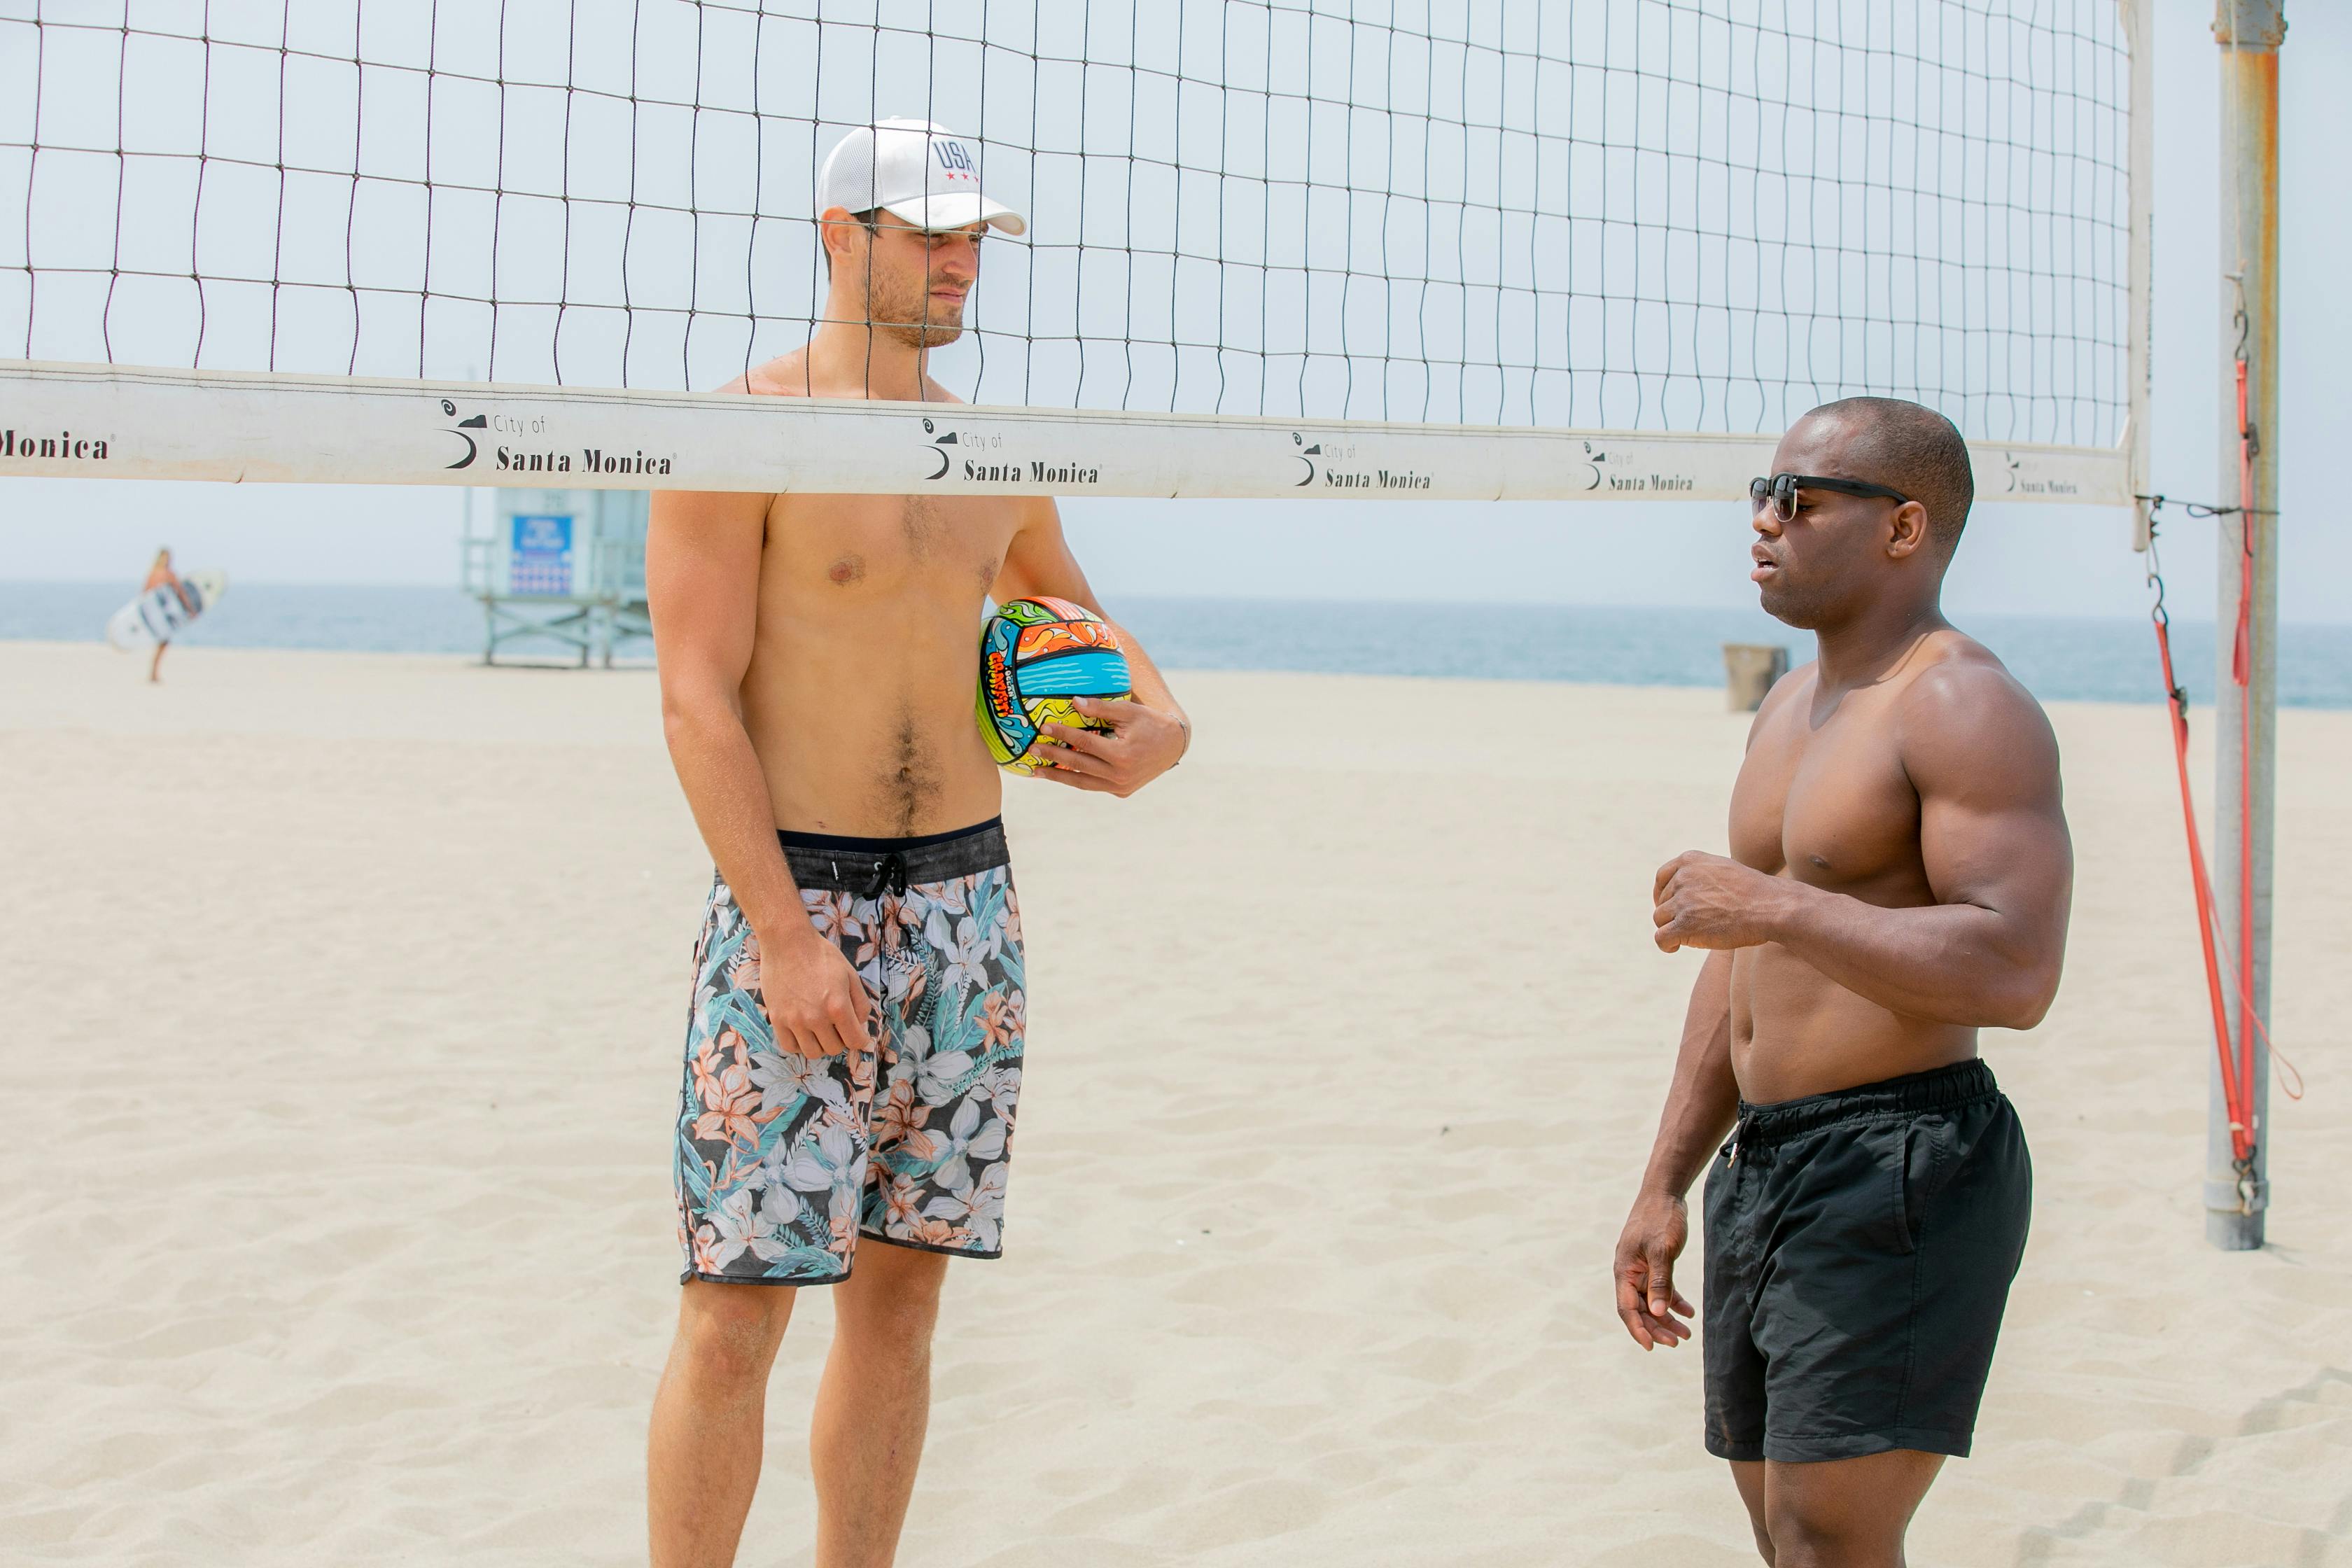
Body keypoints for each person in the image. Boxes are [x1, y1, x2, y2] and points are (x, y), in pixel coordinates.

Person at [643, 119, 1190, 1568]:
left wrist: (1168, 720)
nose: (961, 262)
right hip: (794, 896)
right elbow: (695, 698)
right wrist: (777, 933)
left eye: (974, 238)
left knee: (903, 1301)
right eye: (931, 233)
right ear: (843, 237)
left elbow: (1077, 607)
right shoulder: (739, 428)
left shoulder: (983, 445)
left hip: (965, 909)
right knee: (737, 1301)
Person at [1613, 398, 2073, 1567]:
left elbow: (2016, 970)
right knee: (1786, 1535)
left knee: (1829, 1536)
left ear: (1905, 529)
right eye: (1762, 494)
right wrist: (1667, 1179)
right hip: (1767, 1161)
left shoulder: (1962, 701)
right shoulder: (1785, 706)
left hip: (1903, 1156)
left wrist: (1775, 907)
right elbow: (1740, 963)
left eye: (1799, 499)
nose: (1764, 522)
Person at [140, 547, 183, 684]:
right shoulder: (168, 574)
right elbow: (179, 592)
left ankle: (153, 672)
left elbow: (144, 593)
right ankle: (154, 673)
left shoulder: (153, 573)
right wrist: (188, 609)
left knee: (162, 643)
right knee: (163, 642)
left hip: (157, 613)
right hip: (162, 614)